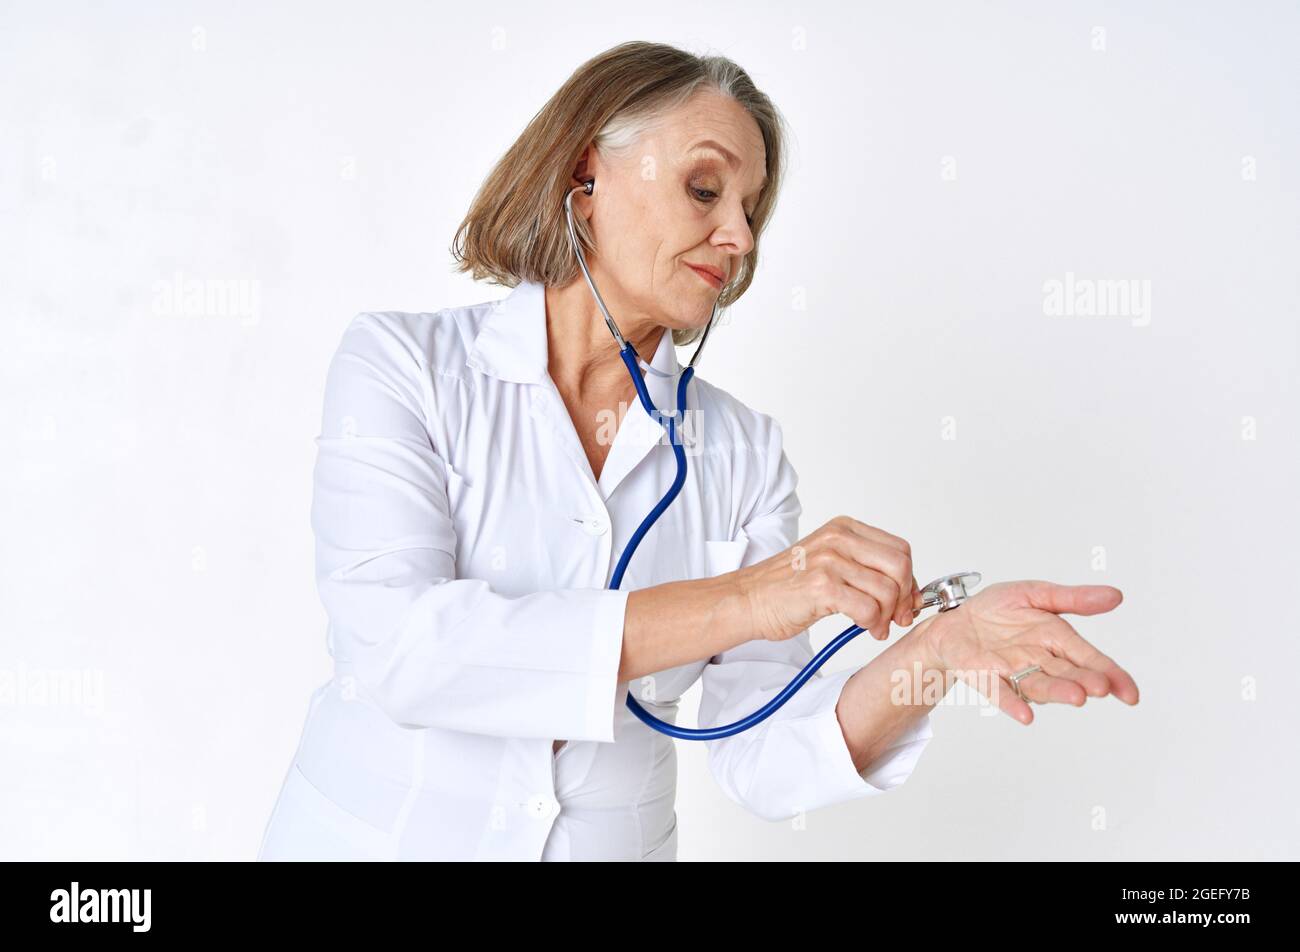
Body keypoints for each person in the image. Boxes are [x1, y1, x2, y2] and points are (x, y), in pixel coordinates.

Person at [257, 40, 1139, 862]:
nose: (741, 239)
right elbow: (408, 651)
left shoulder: (742, 451)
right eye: (706, 190)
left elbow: (765, 751)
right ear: (584, 173)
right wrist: (751, 596)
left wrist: (936, 652)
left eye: (751, 210)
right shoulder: (405, 367)